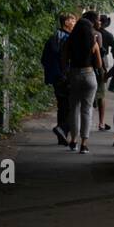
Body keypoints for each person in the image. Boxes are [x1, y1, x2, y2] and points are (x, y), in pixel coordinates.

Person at [64, 15, 104, 153]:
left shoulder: (70, 41)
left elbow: (64, 60)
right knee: (86, 110)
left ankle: (73, 141)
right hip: (89, 75)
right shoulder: (93, 43)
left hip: (74, 75)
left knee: (74, 108)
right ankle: (84, 144)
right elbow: (99, 64)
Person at [40, 13, 75, 145]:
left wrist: (52, 73)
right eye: (72, 20)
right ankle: (63, 129)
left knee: (62, 106)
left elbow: (44, 59)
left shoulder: (52, 38)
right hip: (65, 76)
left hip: (55, 76)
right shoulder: (68, 38)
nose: (74, 22)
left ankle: (62, 137)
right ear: (66, 22)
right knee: (72, 106)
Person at [90, 12, 114, 131]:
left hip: (88, 64)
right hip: (101, 63)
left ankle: (88, 121)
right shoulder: (107, 35)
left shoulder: (85, 33)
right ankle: (101, 122)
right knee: (101, 94)